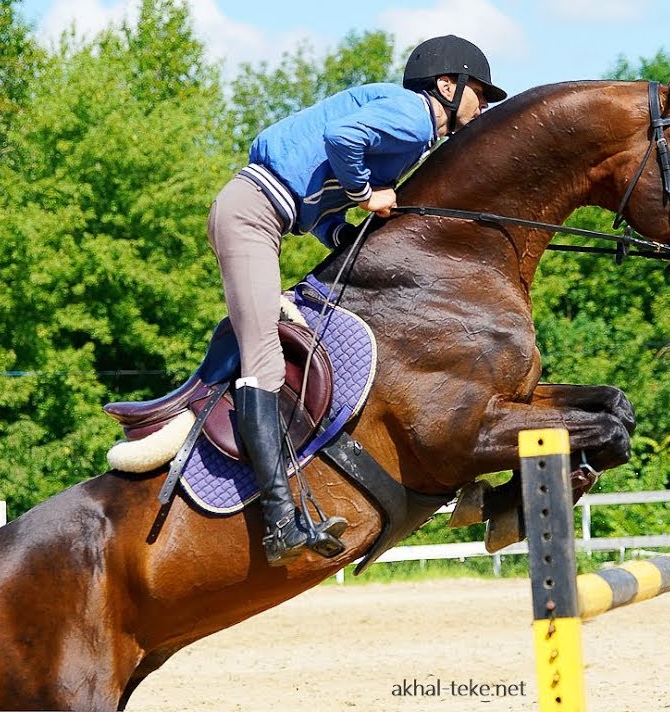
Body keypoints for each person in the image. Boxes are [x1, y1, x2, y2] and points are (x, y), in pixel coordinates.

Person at [206, 35, 507, 567]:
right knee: (263, 361)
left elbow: (319, 198)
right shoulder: (414, 117)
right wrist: (367, 194)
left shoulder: (412, 131)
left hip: (268, 214)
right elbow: (342, 138)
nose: (482, 107)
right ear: (446, 85)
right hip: (252, 214)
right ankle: (279, 521)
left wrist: (338, 232)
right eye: (479, 94)